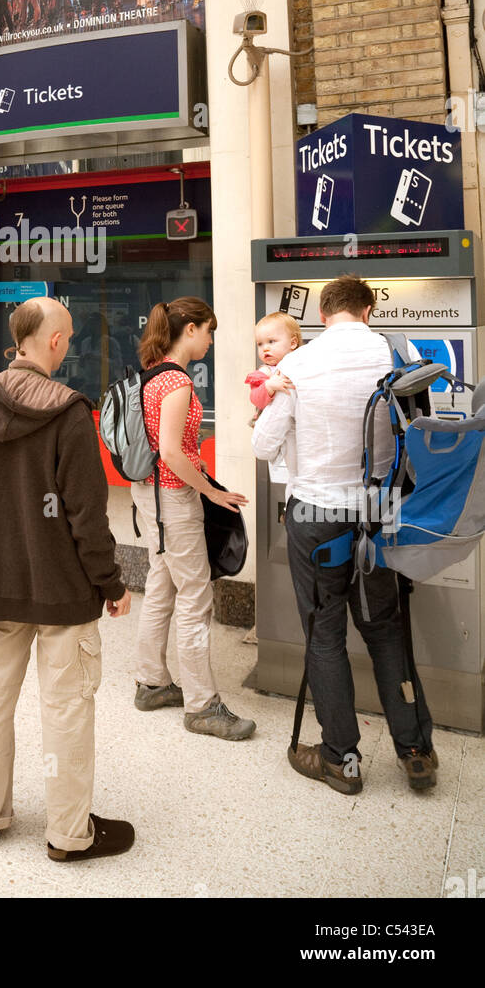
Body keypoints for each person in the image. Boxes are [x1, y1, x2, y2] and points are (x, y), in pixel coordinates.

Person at [0, 296, 135, 862]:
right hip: (63, 592)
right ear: (52, 342)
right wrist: (113, 584)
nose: (69, 345)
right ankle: (71, 835)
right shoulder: (71, 413)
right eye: (68, 337)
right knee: (66, 705)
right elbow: (86, 518)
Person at [252, 274, 437, 795]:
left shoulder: (298, 363)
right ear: (368, 311)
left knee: (325, 633)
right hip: (378, 516)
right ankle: (416, 749)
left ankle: (342, 759)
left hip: (316, 518)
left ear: (323, 312)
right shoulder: (393, 354)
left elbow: (265, 447)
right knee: (384, 629)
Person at [131, 298, 256, 740]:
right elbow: (171, 452)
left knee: (162, 584)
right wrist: (213, 493)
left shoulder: (151, 373)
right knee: (196, 598)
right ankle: (202, 706)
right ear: (190, 329)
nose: (210, 339)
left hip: (148, 496)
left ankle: (150, 682)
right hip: (174, 499)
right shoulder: (177, 382)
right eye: (208, 331)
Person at [246, 312, 302, 415]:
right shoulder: (265, 372)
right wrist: (269, 386)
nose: (265, 348)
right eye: (260, 344)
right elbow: (255, 399)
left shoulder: (301, 364)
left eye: (271, 341)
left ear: (293, 343)